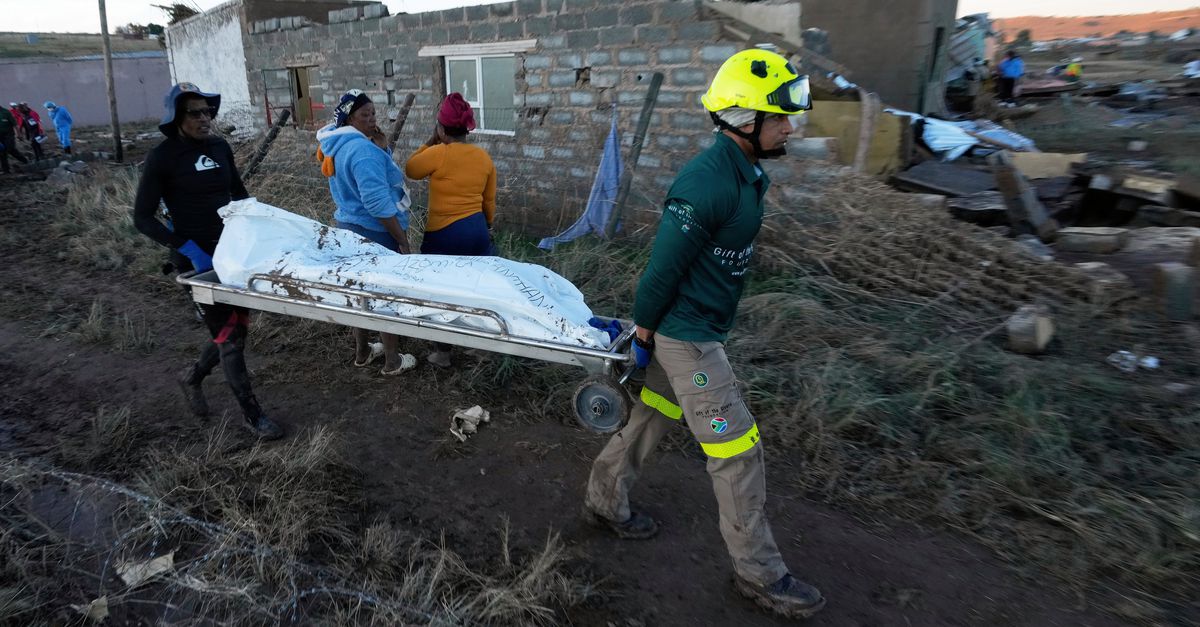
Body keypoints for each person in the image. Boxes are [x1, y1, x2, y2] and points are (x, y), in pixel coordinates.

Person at [582, 49, 825, 620]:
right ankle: (760, 575)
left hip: (695, 330)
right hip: (686, 340)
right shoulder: (707, 182)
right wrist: (643, 335)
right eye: (779, 117)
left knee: (650, 414)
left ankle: (603, 501)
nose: (789, 127)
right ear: (745, 120)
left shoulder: (745, 170)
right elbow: (662, 269)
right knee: (737, 449)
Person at [132, 82, 284, 440]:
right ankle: (253, 416)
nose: (204, 118)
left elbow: (239, 195)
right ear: (176, 117)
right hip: (195, 260)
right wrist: (186, 247)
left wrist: (259, 229)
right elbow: (142, 217)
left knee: (236, 331)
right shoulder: (163, 158)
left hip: (232, 254)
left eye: (207, 111)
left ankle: (193, 377)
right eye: (195, 113)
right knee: (229, 339)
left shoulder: (219, 147)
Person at [316, 89, 418, 376]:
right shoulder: (362, 151)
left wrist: (382, 148)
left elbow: (367, 181)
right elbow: (377, 203)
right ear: (349, 117)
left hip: (347, 228)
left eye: (374, 113)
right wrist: (401, 238)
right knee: (383, 294)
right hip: (374, 233)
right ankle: (392, 361)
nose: (372, 119)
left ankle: (362, 351)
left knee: (358, 292)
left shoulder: (337, 144)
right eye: (365, 114)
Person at [404, 92, 497, 368]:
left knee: (440, 290)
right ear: (466, 130)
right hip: (477, 229)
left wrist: (430, 142)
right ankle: (482, 348)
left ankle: (442, 352)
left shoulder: (438, 154)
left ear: (442, 129)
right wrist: (486, 227)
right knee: (477, 290)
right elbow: (489, 200)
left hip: (445, 233)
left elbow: (411, 168)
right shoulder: (483, 157)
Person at [0, 104, 28, 174]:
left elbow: (15, 124)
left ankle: (25, 160)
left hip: (8, 134)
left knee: (10, 149)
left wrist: (19, 134)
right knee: (2, 152)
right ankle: (6, 170)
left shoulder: (6, 112)